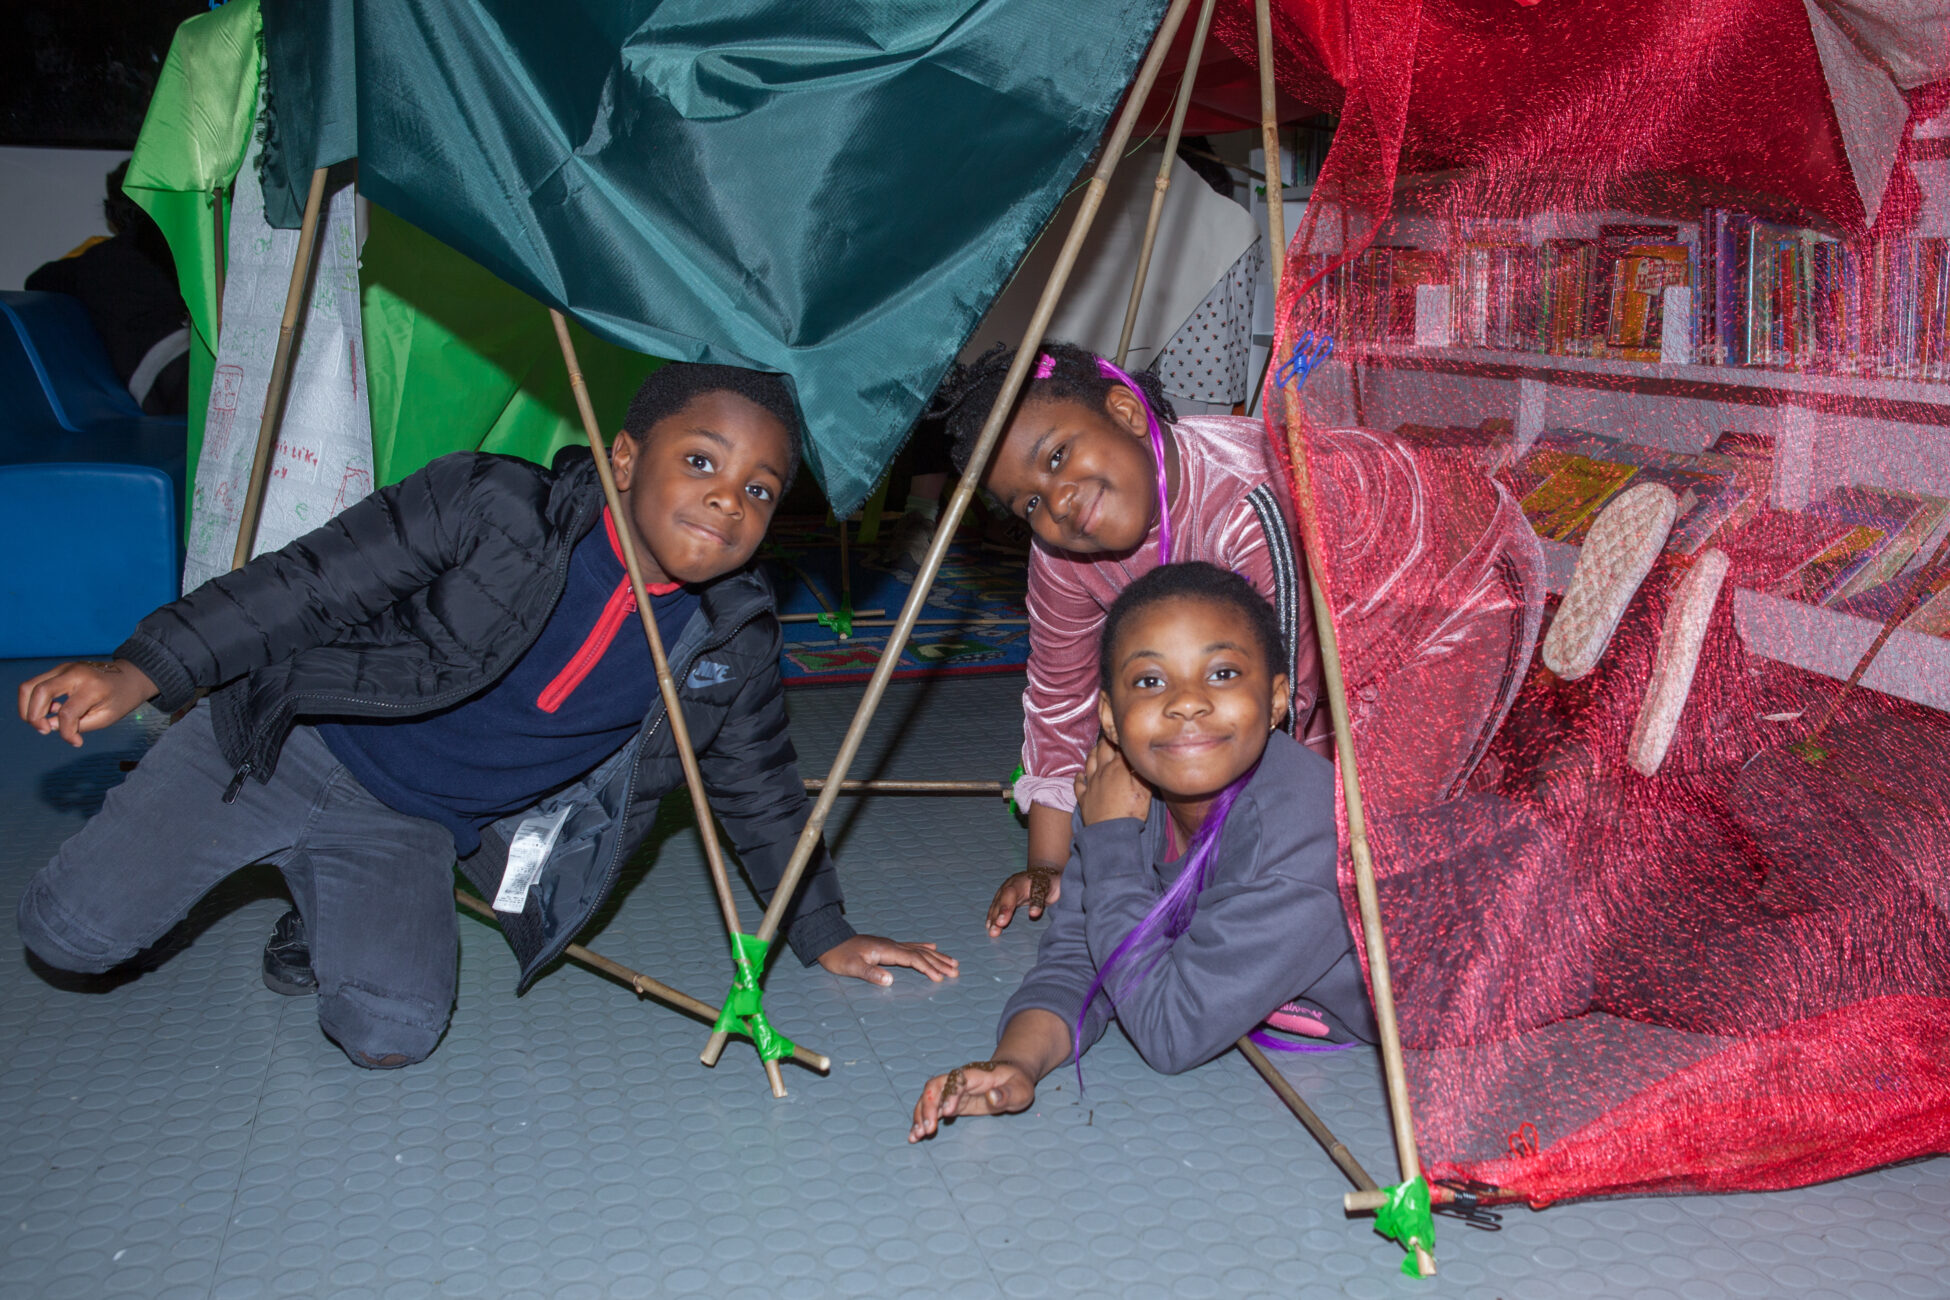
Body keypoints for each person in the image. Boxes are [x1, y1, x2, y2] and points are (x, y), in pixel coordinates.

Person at [16, 363, 956, 1069]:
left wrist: (823, 928)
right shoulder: (492, 505)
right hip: (275, 744)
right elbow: (306, 586)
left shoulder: (730, 637)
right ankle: (232, 833)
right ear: (625, 456)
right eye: (701, 460)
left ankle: (317, 898)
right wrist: (148, 668)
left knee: (390, 1034)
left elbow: (758, 788)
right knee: (69, 937)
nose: (727, 496)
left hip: (407, 826)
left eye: (758, 488)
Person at [909, 563, 1373, 1140]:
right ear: (1108, 715)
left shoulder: (1302, 832)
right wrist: (1016, 1063)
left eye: (1222, 672)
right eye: (1151, 681)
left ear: (1278, 699)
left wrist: (1109, 845)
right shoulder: (1122, 798)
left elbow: (1171, 1031)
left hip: (1493, 972)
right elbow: (1081, 958)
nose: (1187, 703)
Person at [926, 340, 1328, 936]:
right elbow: (1061, 697)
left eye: (1059, 455)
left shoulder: (1242, 503)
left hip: (1410, 625)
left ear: (1127, 413)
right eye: (1030, 501)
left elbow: (1292, 707)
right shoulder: (1063, 554)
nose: (1057, 502)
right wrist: (1047, 864)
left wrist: (1269, 872)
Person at [24, 160, 190, 415]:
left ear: (112, 215)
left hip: (161, 379)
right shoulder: (186, 252)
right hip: (187, 369)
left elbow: (36, 280)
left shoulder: (95, 263)